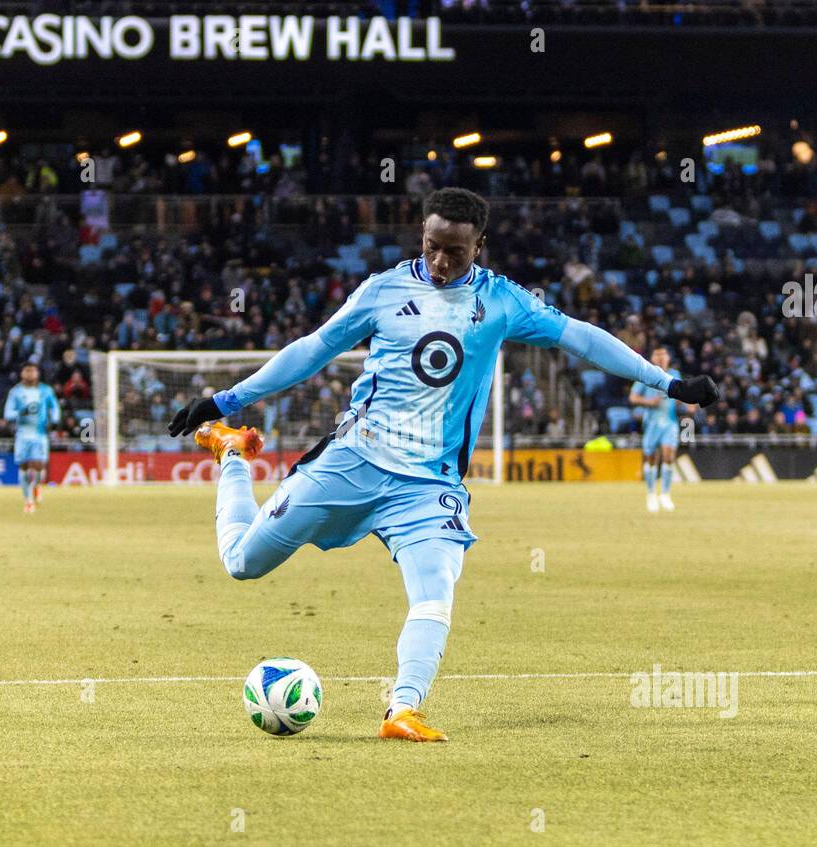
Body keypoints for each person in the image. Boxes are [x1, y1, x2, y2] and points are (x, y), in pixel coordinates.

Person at [169, 188, 719, 742]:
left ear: (480, 245)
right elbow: (313, 349)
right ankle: (232, 453)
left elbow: (582, 338)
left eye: (455, 252)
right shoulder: (382, 290)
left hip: (429, 486)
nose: (440, 262)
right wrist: (225, 403)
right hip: (353, 460)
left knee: (435, 593)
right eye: (432, 247)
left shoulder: (504, 301)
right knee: (243, 563)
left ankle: (402, 709)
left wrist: (666, 382)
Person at [628, 346, 690, 512]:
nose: (661, 358)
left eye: (664, 355)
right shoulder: (645, 373)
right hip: (652, 423)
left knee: (669, 455)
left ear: (668, 358)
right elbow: (633, 397)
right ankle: (651, 494)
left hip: (670, 422)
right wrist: (649, 402)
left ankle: (665, 494)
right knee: (651, 458)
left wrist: (687, 402)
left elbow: (680, 393)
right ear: (653, 358)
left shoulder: (674, 375)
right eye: (658, 355)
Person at [3, 362, 60, 513]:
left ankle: (36, 486)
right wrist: (20, 413)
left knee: (38, 465)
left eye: (32, 371)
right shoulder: (15, 392)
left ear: (37, 373)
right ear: (22, 373)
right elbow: (7, 413)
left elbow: (54, 407)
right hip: (22, 434)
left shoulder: (46, 391)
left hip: (40, 434)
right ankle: (28, 501)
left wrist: (54, 421)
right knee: (24, 466)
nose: (30, 374)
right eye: (27, 371)